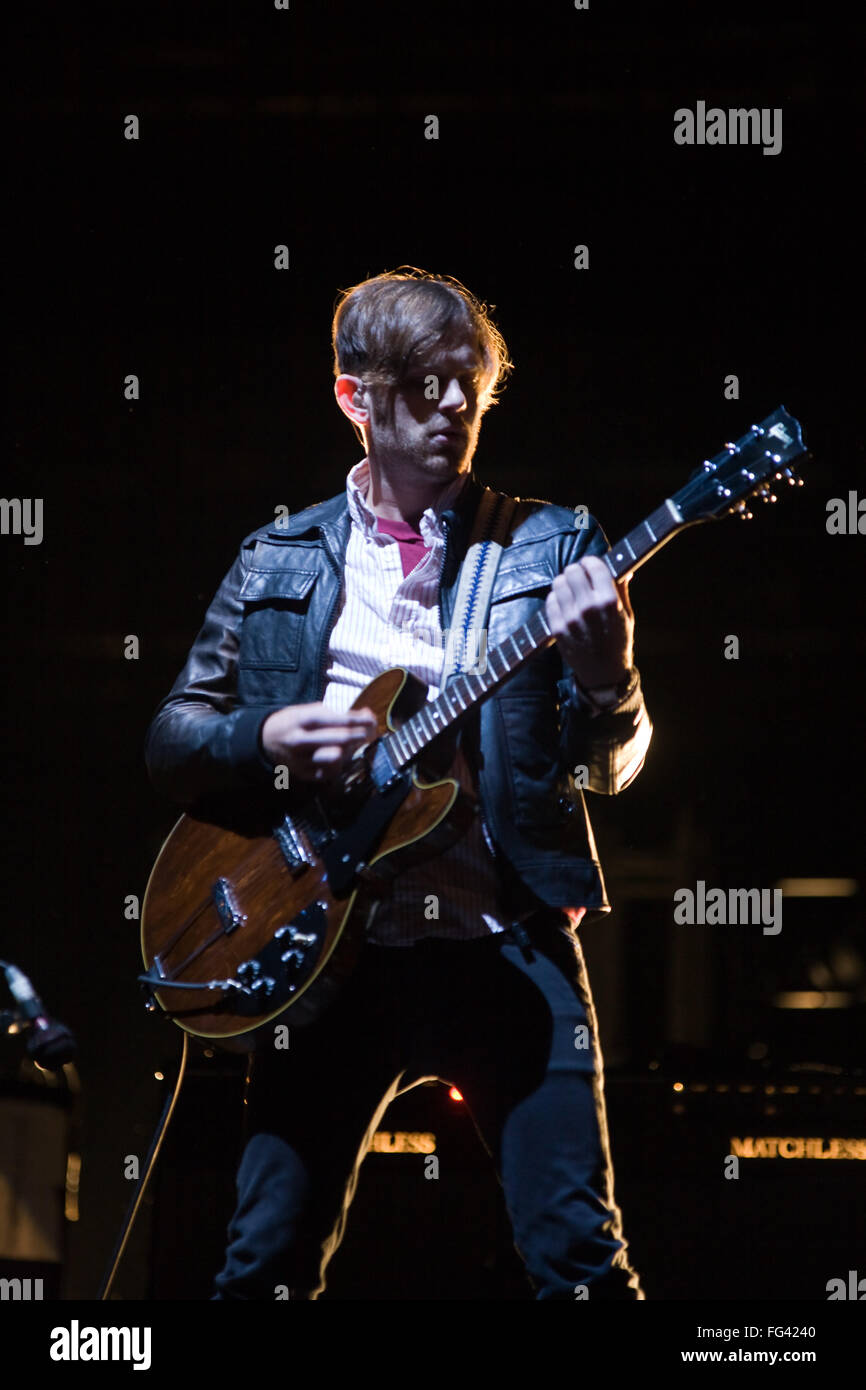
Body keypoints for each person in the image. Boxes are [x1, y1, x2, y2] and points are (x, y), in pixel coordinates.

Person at [144, 267, 653, 1300]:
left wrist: (611, 680)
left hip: (502, 942)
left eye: (470, 383)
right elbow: (171, 741)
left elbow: (610, 766)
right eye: (424, 384)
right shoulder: (276, 557)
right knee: (263, 1266)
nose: (455, 407)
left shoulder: (549, 544)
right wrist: (269, 734)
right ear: (353, 396)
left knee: (579, 1262)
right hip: (333, 957)